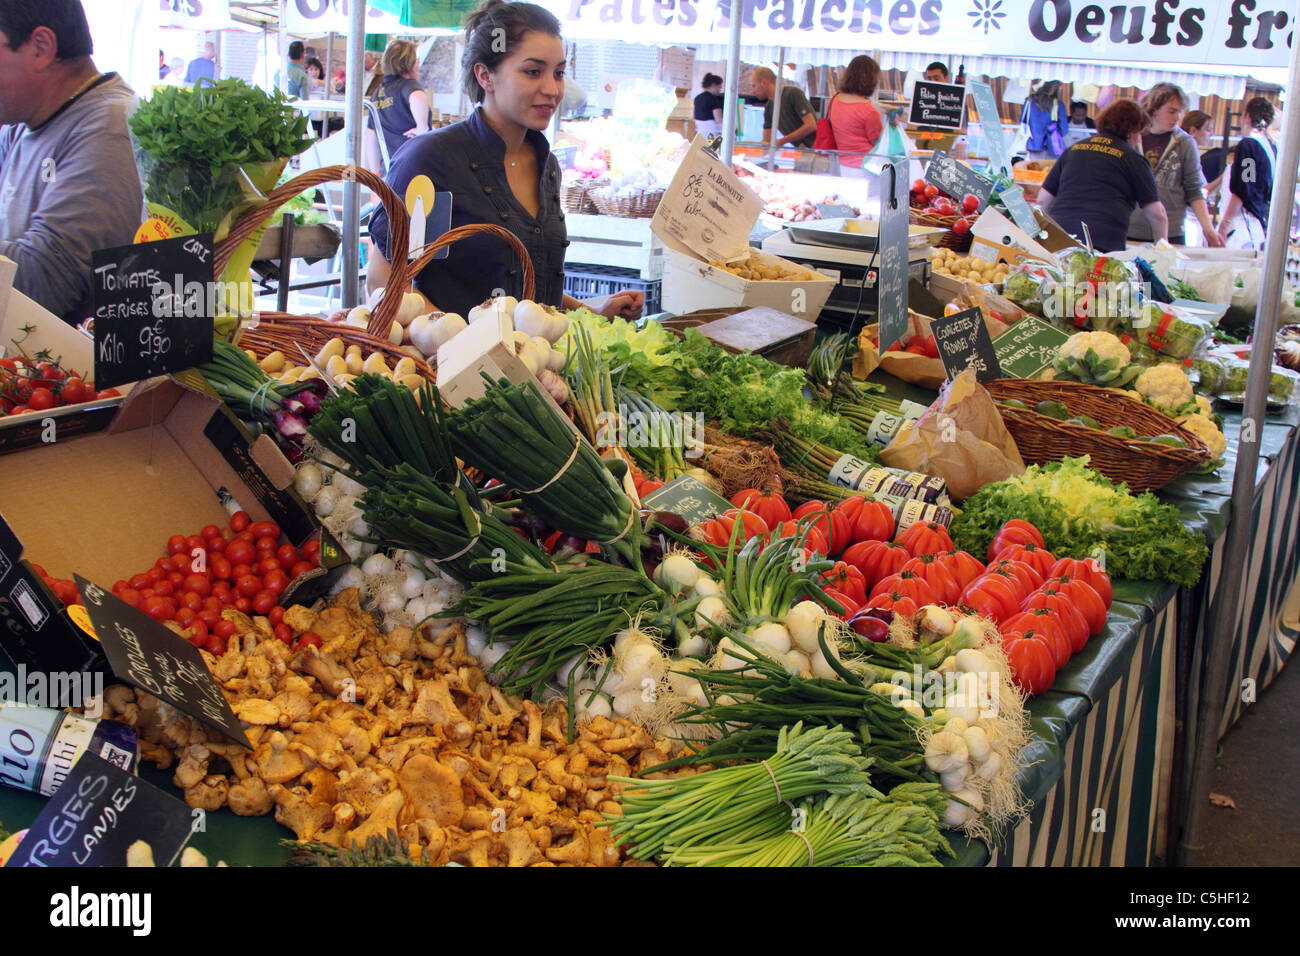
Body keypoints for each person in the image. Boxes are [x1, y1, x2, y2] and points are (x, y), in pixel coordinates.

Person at [366, 0, 642, 321]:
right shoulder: (433, 161)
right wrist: (461, 342)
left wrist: (592, 310)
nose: (552, 89)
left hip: (535, 366)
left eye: (559, 73)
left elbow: (526, 289)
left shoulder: (546, 166)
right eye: (532, 72)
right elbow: (384, 280)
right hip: (445, 367)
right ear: (485, 76)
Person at [0, 0, 144, 322]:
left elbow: (44, 283)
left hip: (69, 366)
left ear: (41, 47)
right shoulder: (21, 125)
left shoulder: (109, 127)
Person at [1037, 99, 1168, 253]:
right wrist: (1162, 250)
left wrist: (1045, 235)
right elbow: (1157, 214)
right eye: (1139, 133)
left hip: (1060, 241)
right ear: (1132, 130)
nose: (1139, 139)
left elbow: (1043, 200)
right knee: (1090, 277)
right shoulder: (1134, 159)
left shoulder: (1073, 150)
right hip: (1103, 245)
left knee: (1068, 277)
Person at [1127, 83, 1221, 247]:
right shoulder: (1131, 137)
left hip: (1171, 232)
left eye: (1179, 111)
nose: (1177, 117)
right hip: (1130, 228)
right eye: (1172, 111)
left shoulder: (1185, 143)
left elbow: (1194, 190)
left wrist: (1208, 229)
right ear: (1153, 109)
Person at [1218, 96, 1277, 249]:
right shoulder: (1271, 148)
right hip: (1257, 225)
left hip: (1242, 226)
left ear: (1247, 116)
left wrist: (1225, 222)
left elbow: (1245, 184)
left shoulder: (1249, 145)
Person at [367, 40, 430, 166]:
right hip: (411, 166)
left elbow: (370, 137)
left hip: (389, 169)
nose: (418, 66)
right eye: (416, 62)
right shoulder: (408, 84)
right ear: (409, 64)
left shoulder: (378, 92)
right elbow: (419, 97)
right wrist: (422, 129)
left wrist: (376, 172)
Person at [826, 55, 882, 170]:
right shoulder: (869, 110)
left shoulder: (833, 100)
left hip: (838, 164)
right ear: (872, 79)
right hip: (865, 166)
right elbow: (877, 142)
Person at [752, 67, 815, 148]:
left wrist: (782, 141)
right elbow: (766, 141)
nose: (753, 91)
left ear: (764, 83)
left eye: (754, 86)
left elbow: (811, 125)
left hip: (816, 150)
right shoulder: (769, 107)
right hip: (801, 152)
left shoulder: (793, 94)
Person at [1020, 80, 1068, 158]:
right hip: (1051, 147)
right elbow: (1064, 129)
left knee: (1033, 168)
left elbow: (1022, 121)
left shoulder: (1029, 101)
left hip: (1032, 145)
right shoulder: (1058, 104)